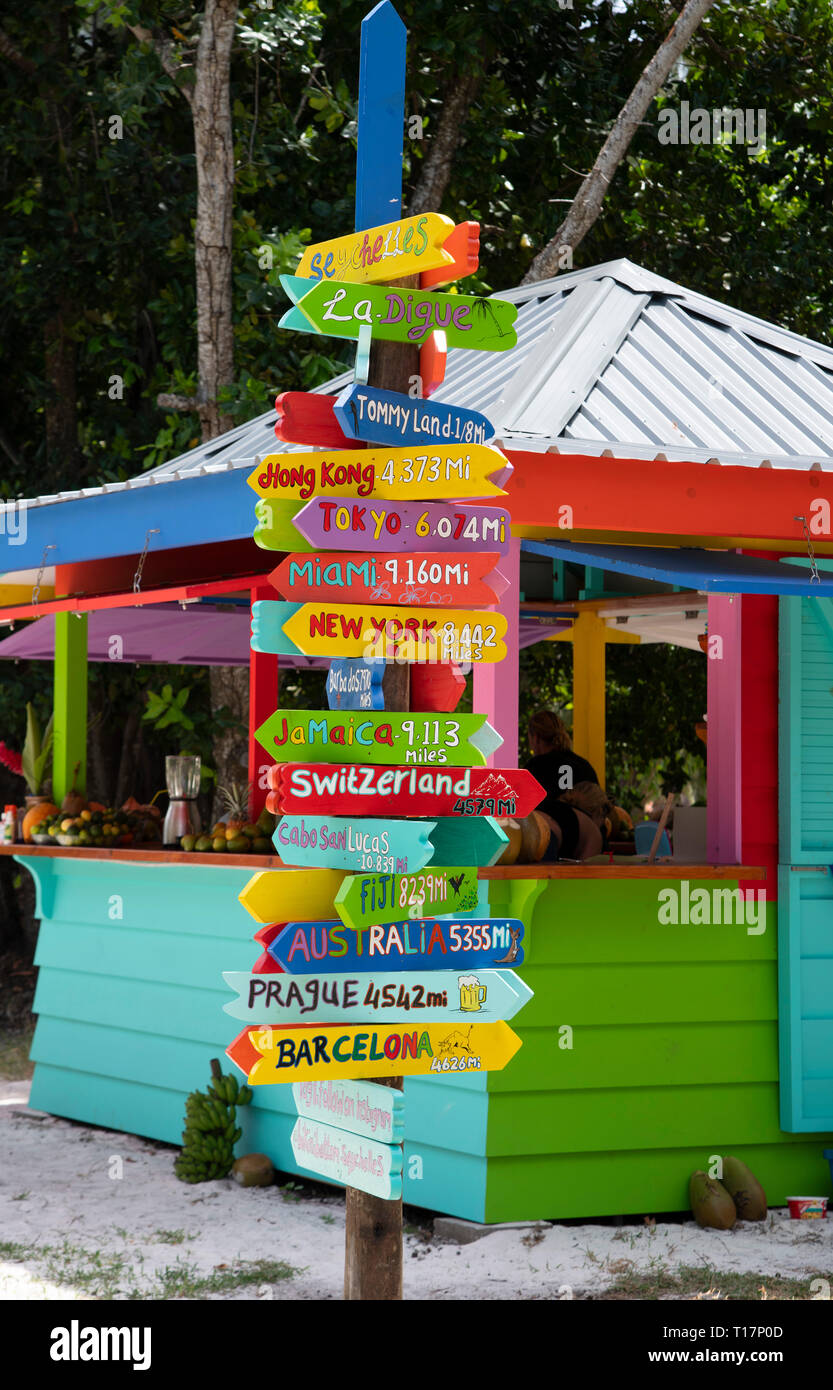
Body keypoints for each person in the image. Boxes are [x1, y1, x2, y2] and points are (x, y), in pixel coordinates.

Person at [526, 711, 600, 824]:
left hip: (554, 837)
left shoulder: (535, 767)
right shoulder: (584, 766)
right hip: (592, 836)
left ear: (535, 738)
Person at [539, 780, 613, 861]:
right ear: (600, 811)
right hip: (544, 838)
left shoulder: (553, 806)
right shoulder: (592, 830)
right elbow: (585, 870)